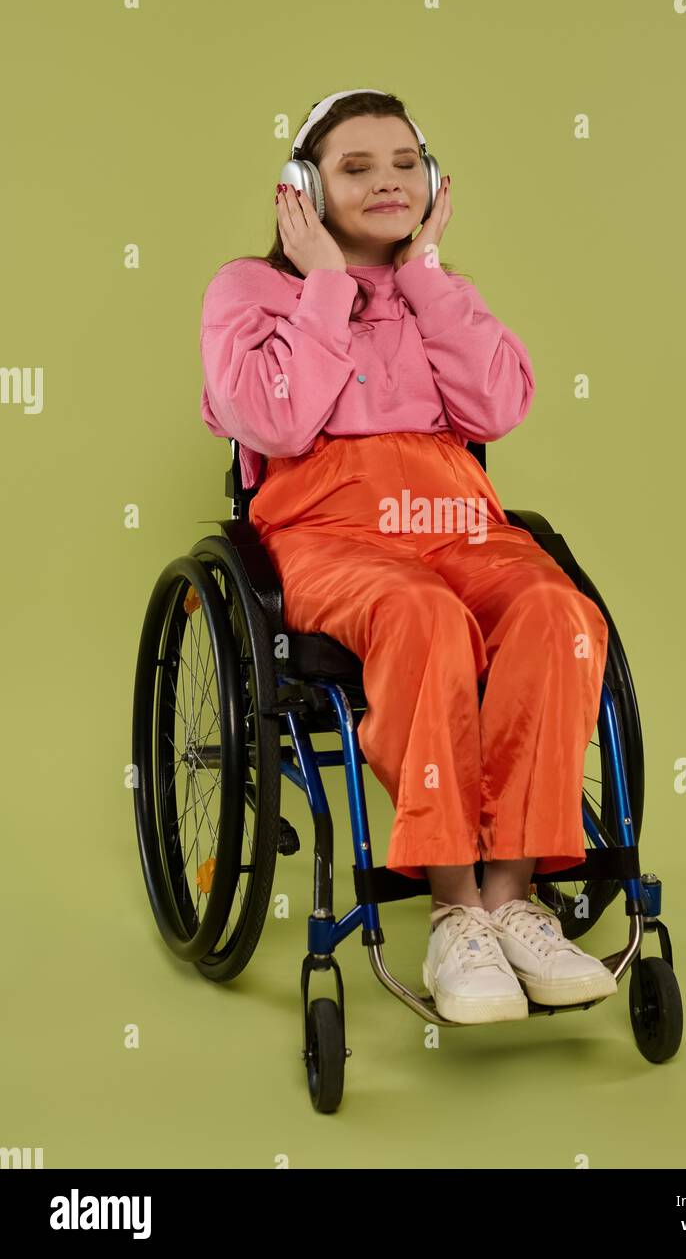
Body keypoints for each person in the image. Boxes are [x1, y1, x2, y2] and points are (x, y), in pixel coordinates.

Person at [199, 88, 618, 1024]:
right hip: (326, 534)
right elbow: (272, 420)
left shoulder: (439, 290)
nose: (389, 183)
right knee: (421, 613)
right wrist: (323, 287)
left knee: (561, 613)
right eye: (357, 167)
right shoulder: (249, 291)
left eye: (405, 165)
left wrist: (426, 273)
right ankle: (454, 910)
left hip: (459, 521)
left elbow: (497, 409)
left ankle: (513, 900)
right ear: (302, 188)